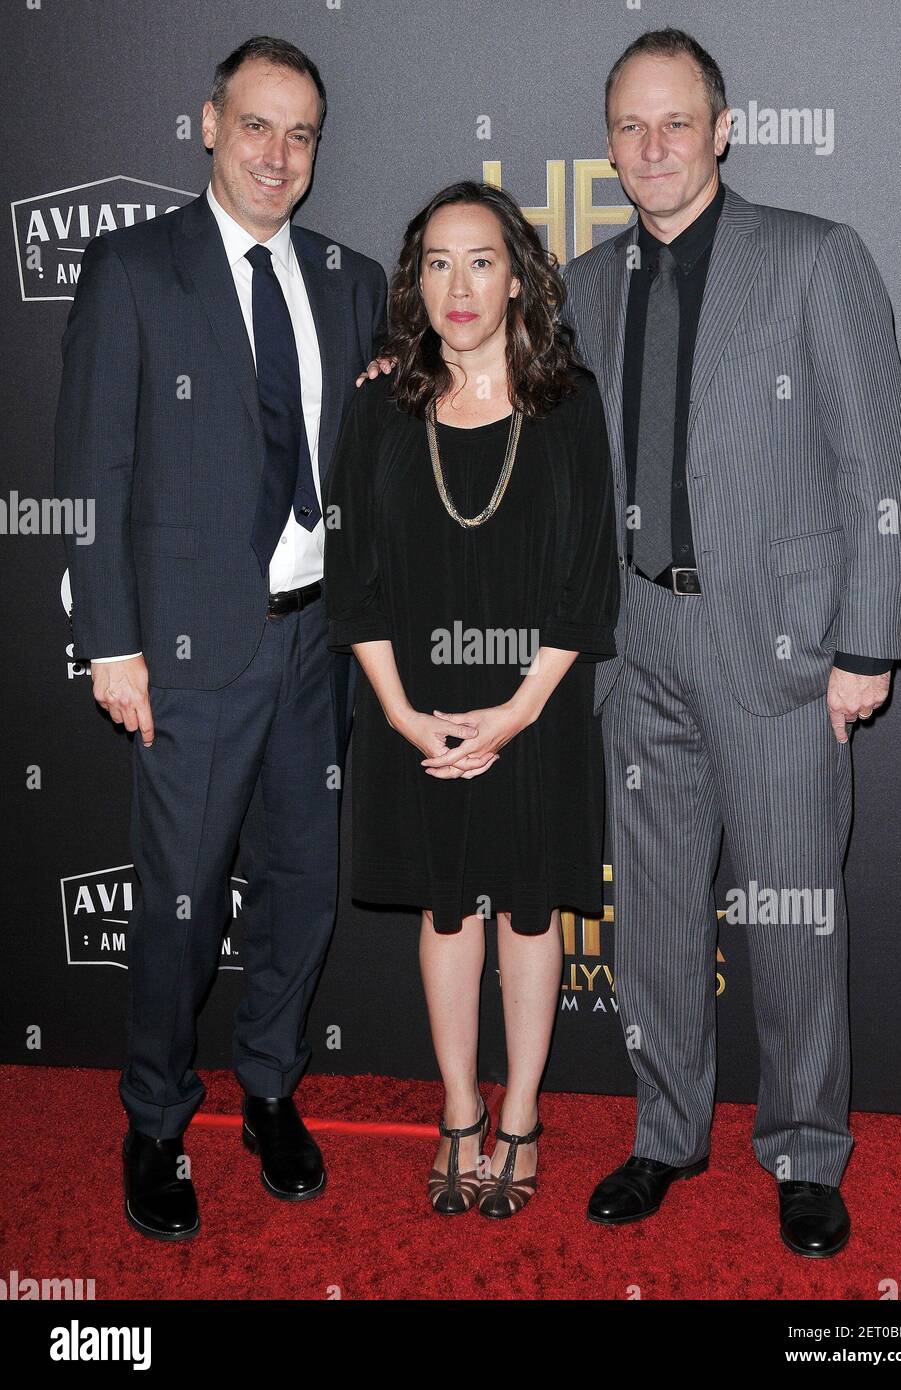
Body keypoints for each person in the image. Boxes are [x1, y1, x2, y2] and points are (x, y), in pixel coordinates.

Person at [561, 29, 901, 1255]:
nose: (650, 148)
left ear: (722, 129)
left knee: (793, 915)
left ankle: (806, 1150)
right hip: (637, 637)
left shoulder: (816, 259)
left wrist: (866, 643)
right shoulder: (586, 284)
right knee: (652, 916)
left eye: (674, 122)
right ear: (606, 142)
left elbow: (880, 467)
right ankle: (665, 1132)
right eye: (626, 125)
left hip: (780, 650)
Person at [53, 35, 387, 1240]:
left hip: (315, 649)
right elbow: (91, 471)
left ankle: (271, 1092)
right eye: (256, 125)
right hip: (188, 654)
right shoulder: (134, 268)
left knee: (300, 891)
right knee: (181, 903)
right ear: (207, 124)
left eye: (300, 133)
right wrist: (111, 641)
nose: (277, 154)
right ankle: (153, 1119)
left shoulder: (351, 281)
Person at [322, 181, 620, 1218]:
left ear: (518, 276)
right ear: (415, 281)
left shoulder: (569, 403)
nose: (459, 283)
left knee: (528, 914)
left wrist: (521, 710)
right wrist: (404, 717)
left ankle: (522, 1113)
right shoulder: (378, 404)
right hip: (418, 711)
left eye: (481, 259)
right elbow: (350, 574)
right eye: (437, 262)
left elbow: (591, 580)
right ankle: (457, 1111)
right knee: (450, 911)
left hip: (534, 709)